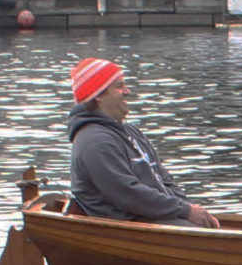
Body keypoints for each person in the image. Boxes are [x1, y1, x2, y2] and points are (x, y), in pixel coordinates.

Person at [66, 58, 220, 228]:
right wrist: (185, 212)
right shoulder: (95, 141)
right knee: (211, 241)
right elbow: (128, 194)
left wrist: (190, 209)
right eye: (119, 86)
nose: (127, 91)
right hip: (128, 227)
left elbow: (163, 178)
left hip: (156, 218)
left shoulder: (131, 132)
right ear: (99, 95)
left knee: (208, 227)